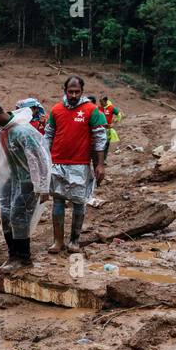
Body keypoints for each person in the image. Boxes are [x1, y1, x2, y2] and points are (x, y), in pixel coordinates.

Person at [0, 98, 51, 272]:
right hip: (12, 179)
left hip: (28, 181)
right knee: (7, 216)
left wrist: (43, 187)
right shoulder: (2, 131)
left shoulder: (23, 132)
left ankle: (23, 258)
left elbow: (41, 160)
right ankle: (12, 255)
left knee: (19, 217)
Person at [44, 75, 108, 255]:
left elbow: (100, 138)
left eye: (77, 92)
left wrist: (100, 164)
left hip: (80, 164)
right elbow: (48, 135)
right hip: (57, 162)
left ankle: (74, 240)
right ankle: (58, 241)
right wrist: (45, 158)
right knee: (58, 201)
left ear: (82, 91)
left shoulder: (91, 110)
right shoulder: (56, 110)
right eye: (70, 91)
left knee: (79, 202)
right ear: (64, 91)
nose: (73, 95)